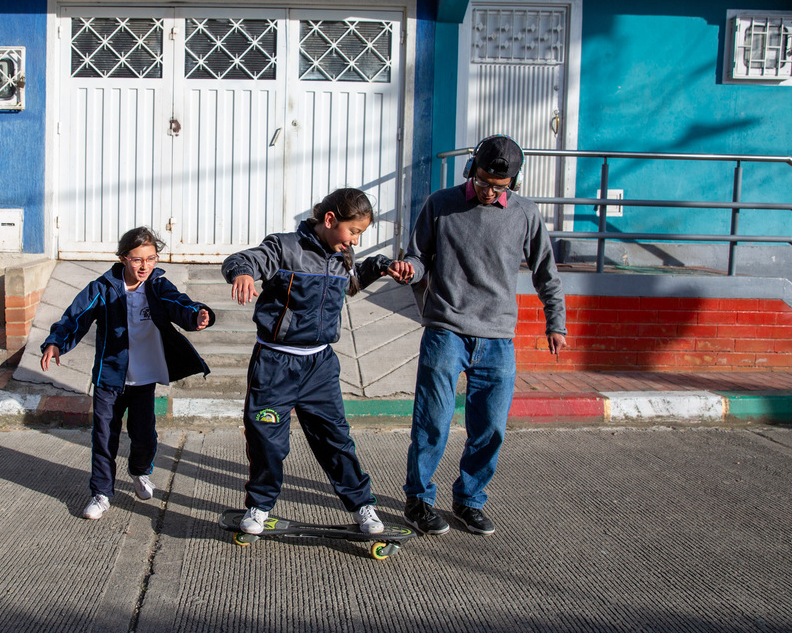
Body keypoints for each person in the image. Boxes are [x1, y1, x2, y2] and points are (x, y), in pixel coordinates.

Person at [222, 188, 415, 536]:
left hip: (319, 368)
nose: (354, 240)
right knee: (267, 439)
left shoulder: (343, 256)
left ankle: (362, 507)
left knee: (335, 440)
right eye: (353, 231)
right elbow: (244, 259)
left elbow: (350, 285)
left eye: (360, 235)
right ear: (330, 220)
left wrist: (382, 266)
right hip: (275, 365)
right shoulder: (285, 247)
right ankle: (259, 506)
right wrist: (242, 273)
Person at [400, 135, 567, 536]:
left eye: (500, 187)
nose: (490, 192)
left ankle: (469, 500)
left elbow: (546, 270)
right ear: (471, 169)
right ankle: (419, 500)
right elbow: (419, 258)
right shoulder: (441, 204)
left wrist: (555, 321)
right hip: (446, 331)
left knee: (490, 427)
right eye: (483, 182)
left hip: (497, 338)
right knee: (433, 421)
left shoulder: (525, 213)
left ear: (514, 183)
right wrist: (409, 269)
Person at [41, 227, 213, 520]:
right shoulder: (102, 288)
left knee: (144, 434)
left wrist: (197, 314)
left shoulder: (158, 286)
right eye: (136, 260)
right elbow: (75, 317)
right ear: (123, 259)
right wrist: (57, 341)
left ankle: (140, 471)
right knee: (105, 435)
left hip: (144, 378)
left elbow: (179, 304)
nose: (144, 266)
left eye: (151, 258)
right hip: (110, 377)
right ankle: (101, 493)